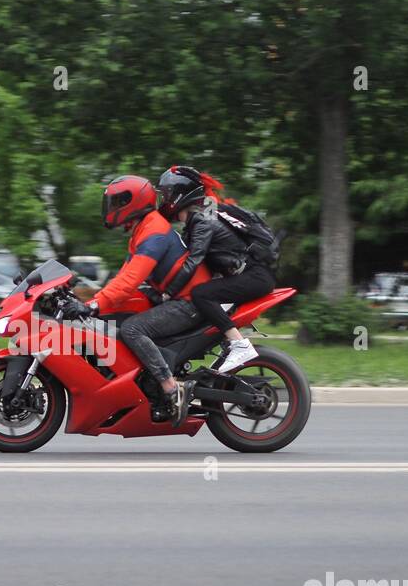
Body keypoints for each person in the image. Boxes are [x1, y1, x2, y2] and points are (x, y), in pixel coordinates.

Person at [61, 174, 210, 424]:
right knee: (117, 314)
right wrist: (93, 302)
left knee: (132, 329)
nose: (112, 208)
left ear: (133, 202)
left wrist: (94, 305)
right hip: (179, 298)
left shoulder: (155, 232)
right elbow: (124, 278)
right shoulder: (145, 229)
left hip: (190, 302)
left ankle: (172, 388)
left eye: (117, 202)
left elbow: (130, 280)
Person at [156, 165, 278, 373]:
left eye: (167, 194)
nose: (165, 200)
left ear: (180, 194)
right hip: (251, 274)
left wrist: (168, 293)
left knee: (201, 295)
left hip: (255, 276)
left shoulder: (203, 219)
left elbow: (193, 261)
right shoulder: (201, 215)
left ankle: (239, 344)